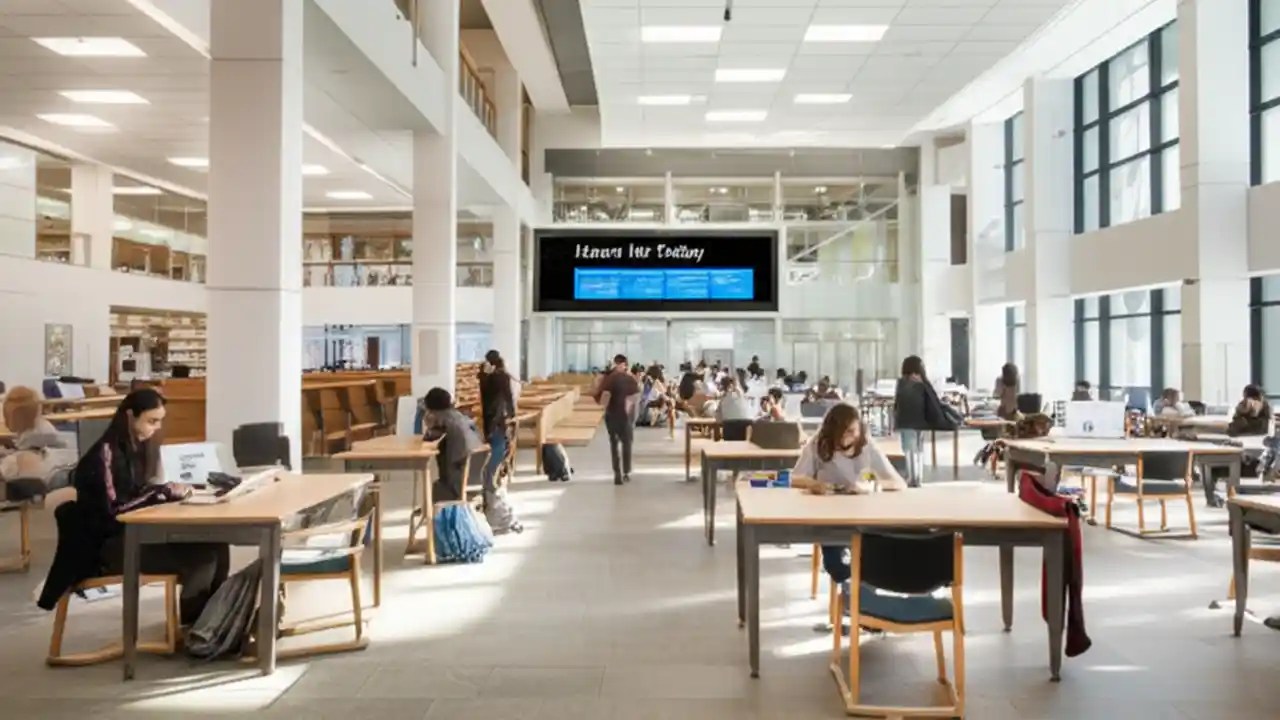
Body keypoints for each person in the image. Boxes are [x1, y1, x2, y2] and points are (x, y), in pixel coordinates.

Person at [68, 389, 229, 625]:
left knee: (216, 545)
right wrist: (159, 493)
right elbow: (116, 511)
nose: (156, 428)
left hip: (130, 535)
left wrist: (164, 492)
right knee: (202, 558)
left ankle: (212, 622)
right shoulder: (104, 454)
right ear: (131, 416)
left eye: (159, 421)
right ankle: (195, 626)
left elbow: (136, 494)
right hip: (106, 549)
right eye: (152, 421)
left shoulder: (132, 449)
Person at [790, 404, 907, 590]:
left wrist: (872, 486)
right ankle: (852, 593)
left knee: (876, 559)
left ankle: (861, 599)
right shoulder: (817, 445)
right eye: (842, 432)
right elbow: (794, 478)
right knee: (836, 565)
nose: (847, 437)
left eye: (852, 431)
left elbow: (898, 483)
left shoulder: (867, 447)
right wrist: (812, 484)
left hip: (865, 520)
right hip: (830, 522)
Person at [422, 387, 485, 502]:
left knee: (435, 488)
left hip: (455, 483)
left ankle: (432, 517)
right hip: (476, 479)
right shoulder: (460, 417)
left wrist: (429, 423)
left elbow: (428, 439)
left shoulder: (442, 421)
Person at [595, 353, 640, 486]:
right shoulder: (630, 379)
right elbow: (636, 397)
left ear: (616, 363)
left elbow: (603, 397)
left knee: (614, 444)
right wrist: (630, 408)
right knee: (627, 443)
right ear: (625, 365)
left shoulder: (608, 379)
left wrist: (604, 407)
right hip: (626, 417)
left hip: (612, 416)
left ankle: (617, 473)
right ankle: (626, 472)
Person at [477, 349, 515, 491]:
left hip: (490, 417)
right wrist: (512, 415)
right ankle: (489, 480)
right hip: (499, 418)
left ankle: (490, 478)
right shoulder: (500, 377)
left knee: (495, 448)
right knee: (499, 449)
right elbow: (508, 397)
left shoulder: (487, 377)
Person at [893, 356, 931, 488]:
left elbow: (898, 403)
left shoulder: (902, 383)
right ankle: (919, 478)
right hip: (921, 420)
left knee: (909, 449)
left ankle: (911, 477)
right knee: (919, 449)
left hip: (906, 420)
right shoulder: (924, 382)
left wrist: (895, 420)